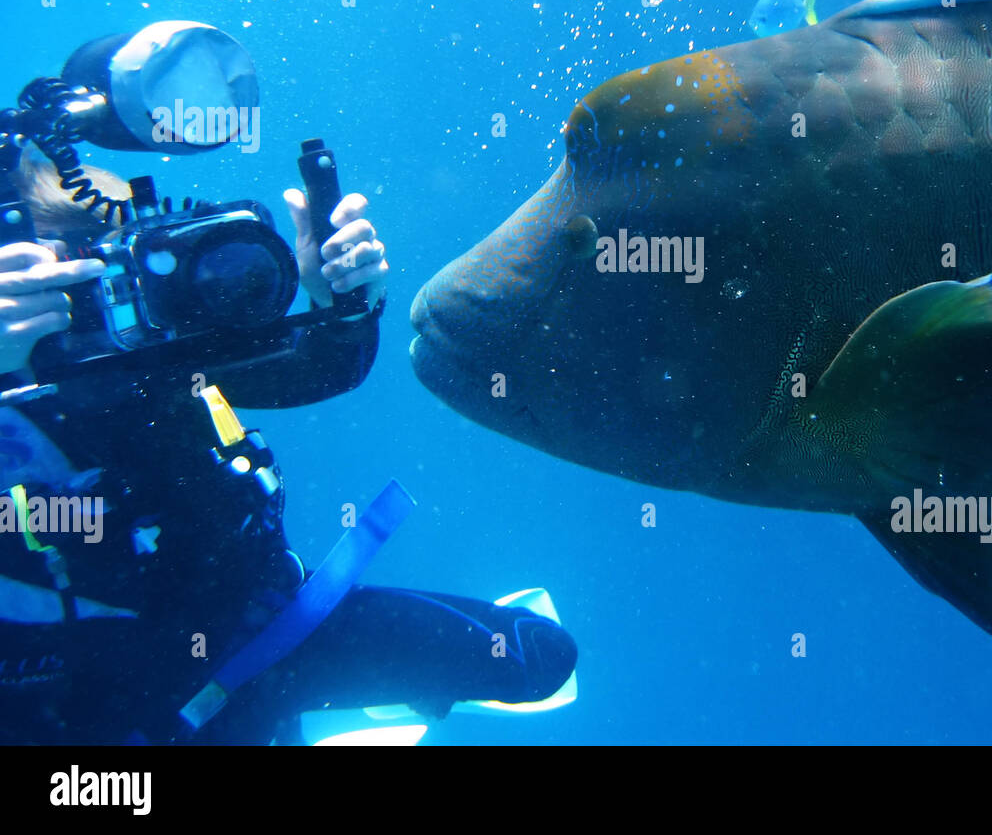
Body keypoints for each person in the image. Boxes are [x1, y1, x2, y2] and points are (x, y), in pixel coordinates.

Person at [0, 147, 576, 744]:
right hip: (83, 702)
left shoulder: (156, 353)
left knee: (540, 656)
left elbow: (320, 370)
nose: (112, 300)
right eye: (70, 275)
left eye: (123, 263)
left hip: (271, 637)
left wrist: (344, 304)